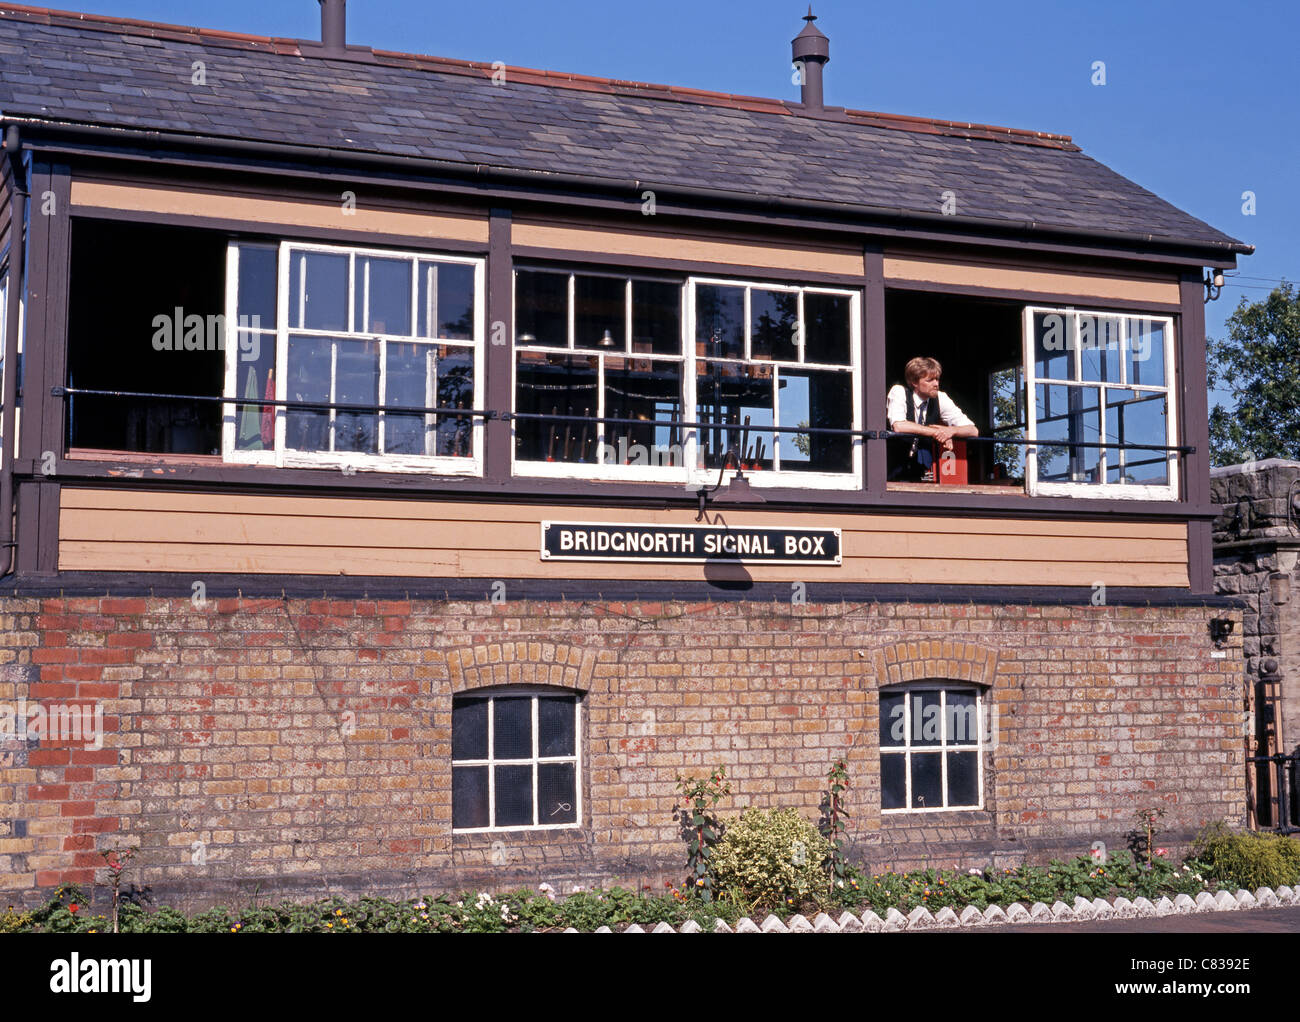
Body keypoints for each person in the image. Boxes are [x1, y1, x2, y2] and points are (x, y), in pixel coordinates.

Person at [886, 357, 979, 481]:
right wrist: (936, 432)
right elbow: (899, 426)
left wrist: (951, 431)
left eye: (937, 379)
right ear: (914, 382)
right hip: (889, 470)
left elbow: (973, 430)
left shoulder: (941, 398)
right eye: (930, 380)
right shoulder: (899, 391)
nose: (936, 384)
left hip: (919, 472)